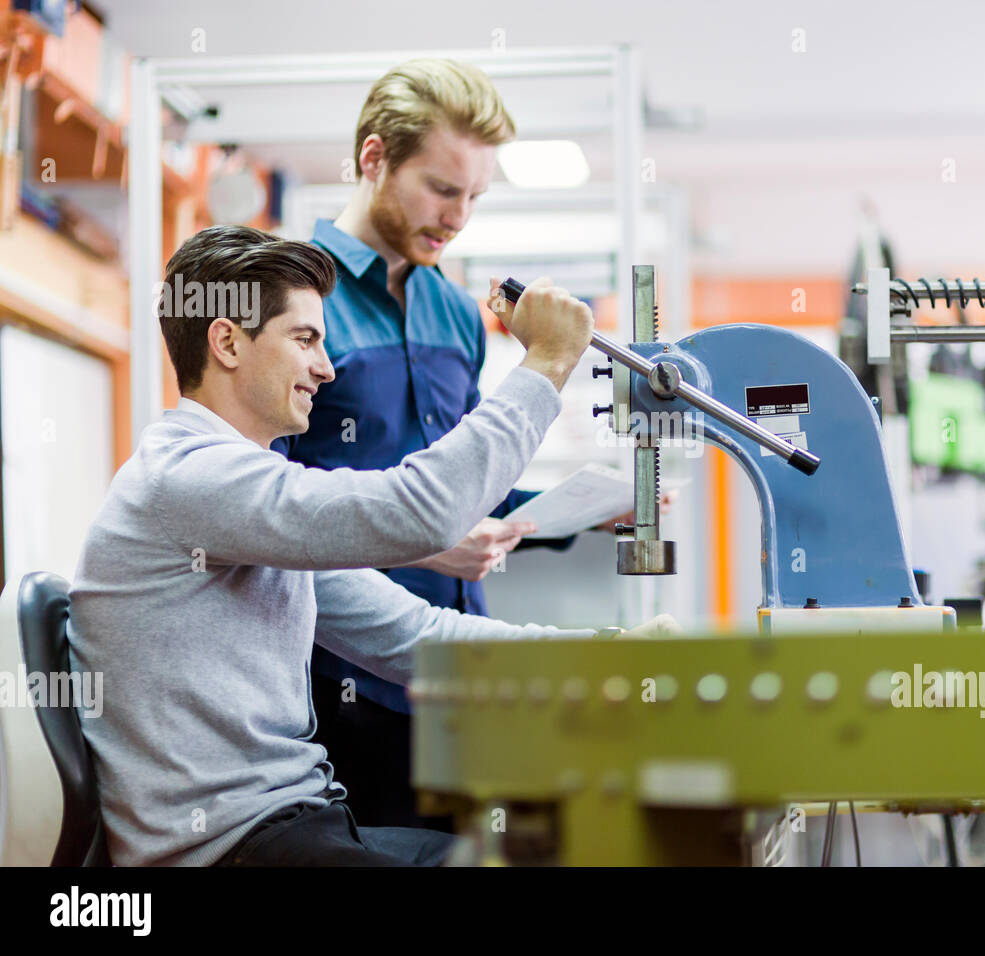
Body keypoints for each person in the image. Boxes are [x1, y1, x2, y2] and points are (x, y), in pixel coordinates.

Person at [67, 224, 598, 866]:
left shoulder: (242, 498)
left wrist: (613, 657)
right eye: (306, 339)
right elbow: (422, 512)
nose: (326, 367)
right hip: (230, 849)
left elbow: (419, 640)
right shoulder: (190, 478)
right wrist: (543, 366)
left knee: (536, 852)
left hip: (299, 822)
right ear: (228, 342)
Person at [273, 57, 648, 827]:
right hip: (343, 678)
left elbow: (470, 486)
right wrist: (417, 544)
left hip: (461, 673)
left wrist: (570, 511)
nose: (458, 215)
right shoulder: (296, 302)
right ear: (373, 159)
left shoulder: (454, 313)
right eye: (443, 189)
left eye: (474, 195)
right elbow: (267, 521)